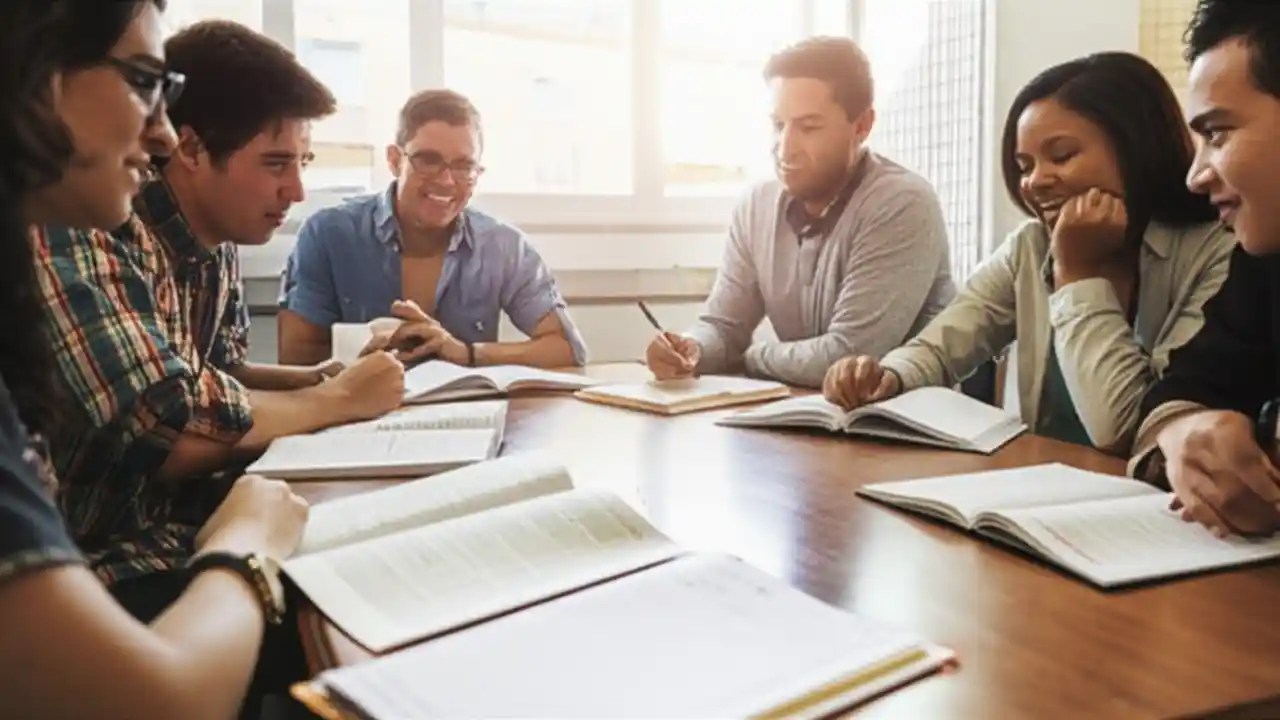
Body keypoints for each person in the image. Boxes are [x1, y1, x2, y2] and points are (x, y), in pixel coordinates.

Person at [0, 2, 310, 718]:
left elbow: (220, 373)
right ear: (29, 65)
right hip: (121, 565)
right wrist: (246, 544)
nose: (163, 132)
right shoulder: (75, 233)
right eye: (144, 81)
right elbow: (153, 700)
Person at [32, 19, 405, 591]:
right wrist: (339, 398)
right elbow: (172, 433)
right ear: (192, 149)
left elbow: (220, 372)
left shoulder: (218, 239)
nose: (297, 192)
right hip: (101, 562)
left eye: (302, 164)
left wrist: (316, 376)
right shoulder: (89, 223)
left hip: (183, 524)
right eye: (276, 164)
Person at [823, 52, 1233, 456]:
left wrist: (1078, 273)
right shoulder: (1031, 246)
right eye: (1024, 166)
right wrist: (888, 375)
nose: (1035, 182)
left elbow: (1124, 427)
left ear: (1135, 147)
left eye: (1062, 156)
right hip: (1041, 491)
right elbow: (940, 346)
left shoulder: (1217, 252)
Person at [643, 36, 955, 389]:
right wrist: (692, 348)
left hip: (902, 429)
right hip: (805, 419)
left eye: (808, 127)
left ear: (862, 126)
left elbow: (848, 357)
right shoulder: (757, 206)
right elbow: (724, 326)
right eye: (778, 124)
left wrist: (752, 356)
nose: (785, 148)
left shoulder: (902, 203)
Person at [278, 89, 588, 369]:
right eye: (428, 160)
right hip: (354, 417)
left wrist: (465, 353)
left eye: (464, 166)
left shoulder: (504, 246)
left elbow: (567, 349)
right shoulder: (328, 234)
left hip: (466, 420)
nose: (446, 180)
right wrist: (365, 357)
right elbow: (295, 358)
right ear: (394, 159)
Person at [1131, 0, 1280, 537]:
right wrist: (1184, 431)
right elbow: (1188, 386)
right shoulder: (1263, 263)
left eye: (1217, 135)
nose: (1196, 175)